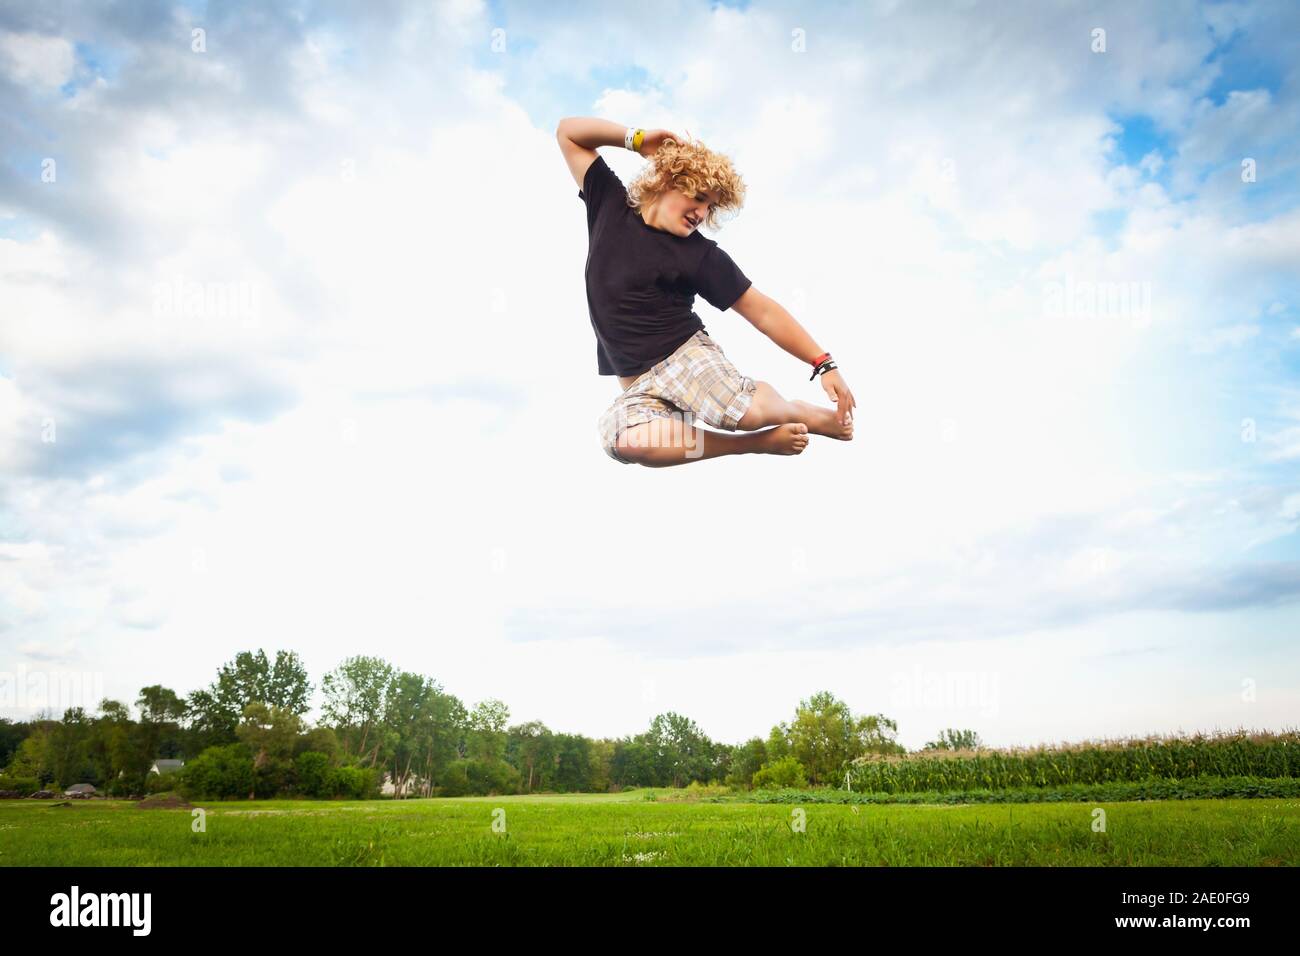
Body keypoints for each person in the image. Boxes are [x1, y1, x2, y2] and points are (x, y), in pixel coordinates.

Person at [556, 117, 855, 466]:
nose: (702, 212)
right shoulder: (609, 203)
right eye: (698, 197)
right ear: (666, 181)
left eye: (710, 206)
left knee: (744, 414)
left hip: (685, 359)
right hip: (639, 387)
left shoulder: (699, 255)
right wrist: (636, 140)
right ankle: (753, 443)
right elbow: (569, 133)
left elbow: (763, 312)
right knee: (627, 442)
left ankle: (794, 411)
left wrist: (823, 363)